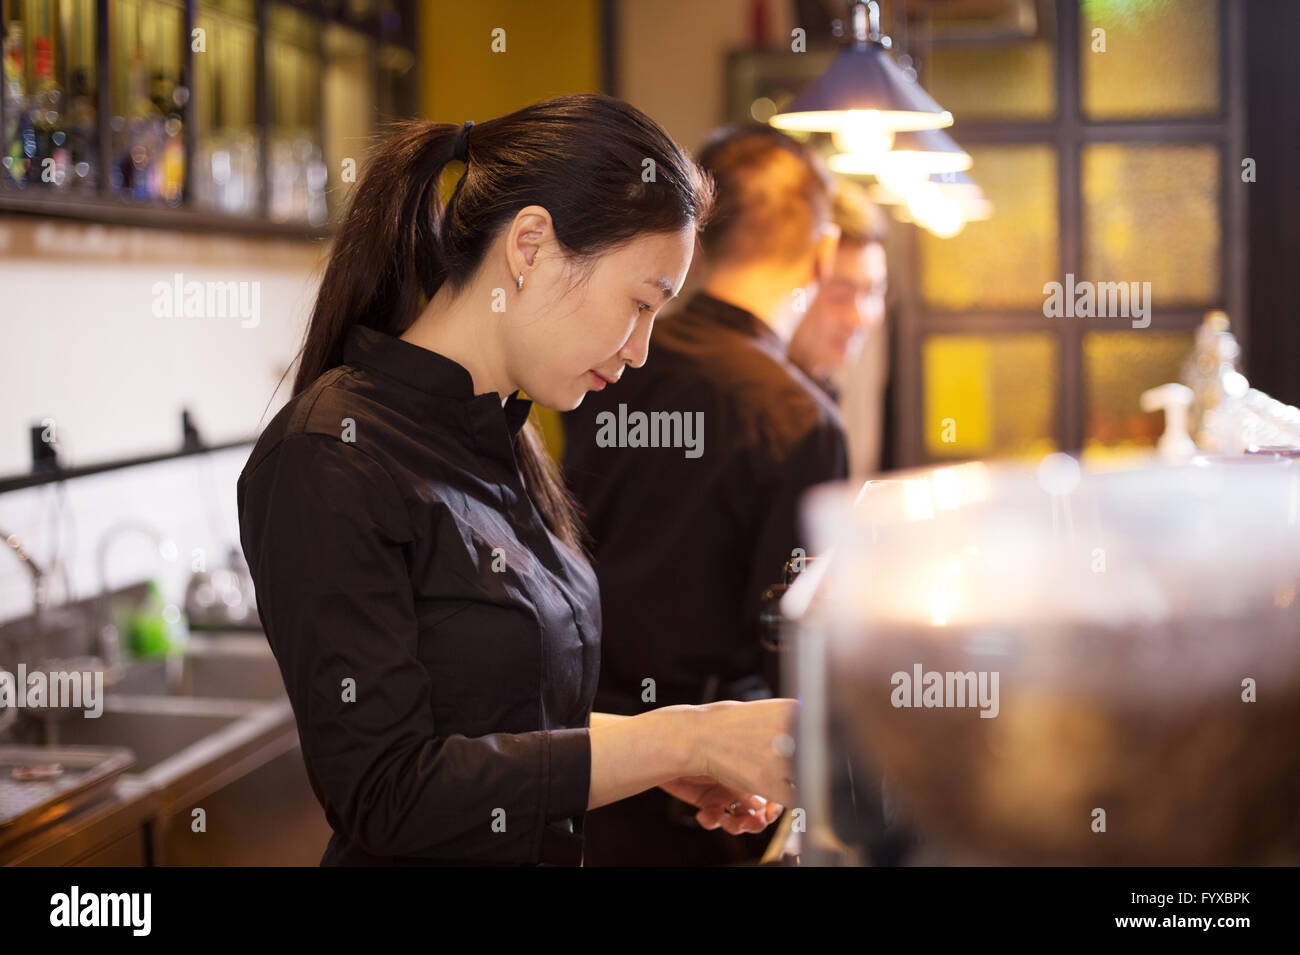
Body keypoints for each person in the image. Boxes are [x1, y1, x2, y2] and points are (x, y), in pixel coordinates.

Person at [236, 95, 798, 867]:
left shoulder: (507, 435)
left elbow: (501, 719)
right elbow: (387, 793)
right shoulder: (329, 455)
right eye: (640, 303)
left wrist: (673, 757)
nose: (639, 351)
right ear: (529, 246)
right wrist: (681, 736)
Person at [560, 123, 848, 865]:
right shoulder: (798, 415)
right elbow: (791, 634)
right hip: (720, 789)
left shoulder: (606, 363)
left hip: (585, 757)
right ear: (822, 254)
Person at [787, 180, 890, 480]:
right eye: (840, 295)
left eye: (874, 292)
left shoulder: (819, 393)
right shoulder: (768, 410)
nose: (861, 317)